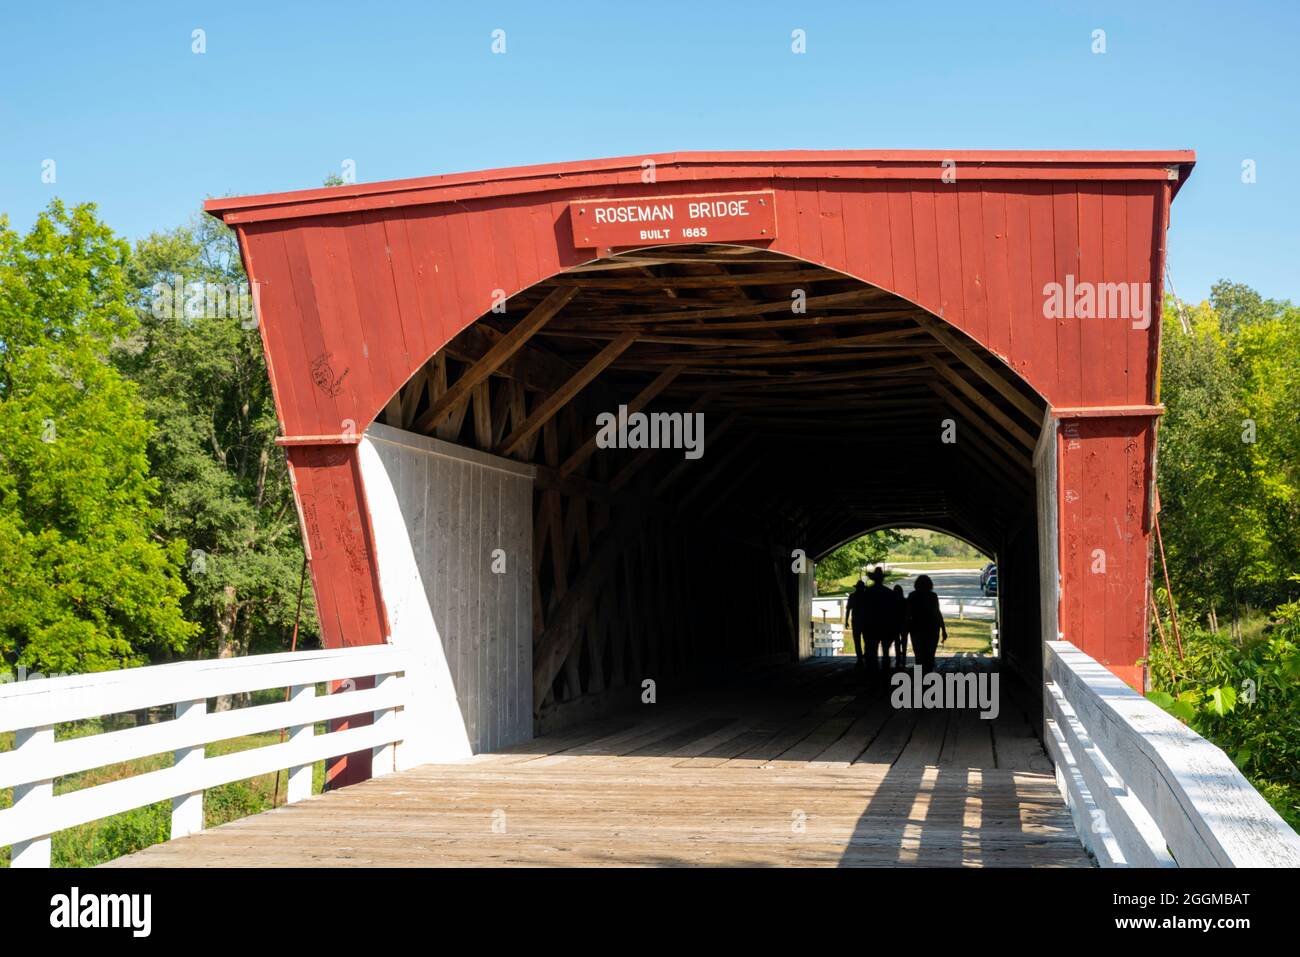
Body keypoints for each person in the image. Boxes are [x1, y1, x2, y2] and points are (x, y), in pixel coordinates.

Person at [906, 574, 948, 673]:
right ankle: (928, 678)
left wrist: (905, 628)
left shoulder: (912, 596)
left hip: (916, 628)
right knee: (929, 656)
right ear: (929, 585)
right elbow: (937, 613)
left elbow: (907, 614)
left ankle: (919, 680)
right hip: (932, 629)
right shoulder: (932, 596)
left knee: (919, 656)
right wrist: (943, 629)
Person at [861, 566, 896, 673]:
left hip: (871, 625)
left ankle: (872, 671)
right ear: (882, 579)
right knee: (886, 650)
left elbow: (863, 610)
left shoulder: (867, 593)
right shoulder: (889, 593)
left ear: (873, 579)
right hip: (885, 625)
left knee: (872, 650)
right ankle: (886, 671)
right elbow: (893, 611)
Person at [844, 579, 869, 667]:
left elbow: (848, 609)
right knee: (866, 640)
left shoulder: (852, 596)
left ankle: (859, 658)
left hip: (856, 621)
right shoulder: (867, 596)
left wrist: (846, 620)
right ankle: (865, 655)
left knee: (857, 640)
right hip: (866, 621)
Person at [890, 584, 908, 669]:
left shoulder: (892, 602)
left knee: (897, 642)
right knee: (904, 642)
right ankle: (903, 658)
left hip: (895, 624)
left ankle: (898, 658)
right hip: (904, 624)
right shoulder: (905, 601)